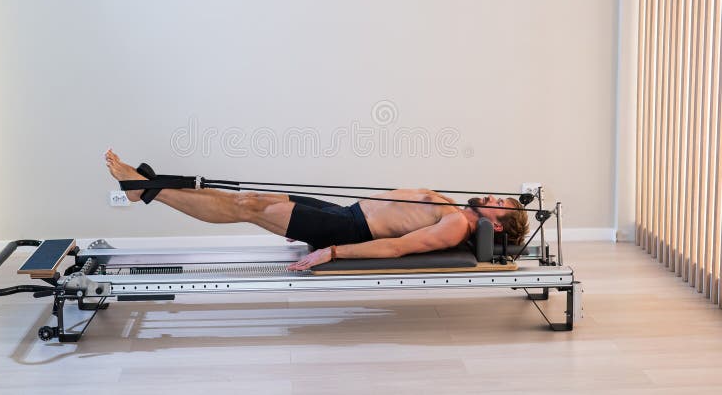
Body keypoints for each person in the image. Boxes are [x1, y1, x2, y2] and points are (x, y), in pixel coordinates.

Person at [105, 149, 529, 270]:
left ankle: (146, 190)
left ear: (496, 223)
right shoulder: (454, 209)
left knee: (247, 205)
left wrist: (332, 250)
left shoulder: (455, 224)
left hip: (345, 228)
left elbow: (397, 248)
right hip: (342, 214)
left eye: (501, 204)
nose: (493, 196)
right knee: (250, 202)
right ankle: (148, 189)